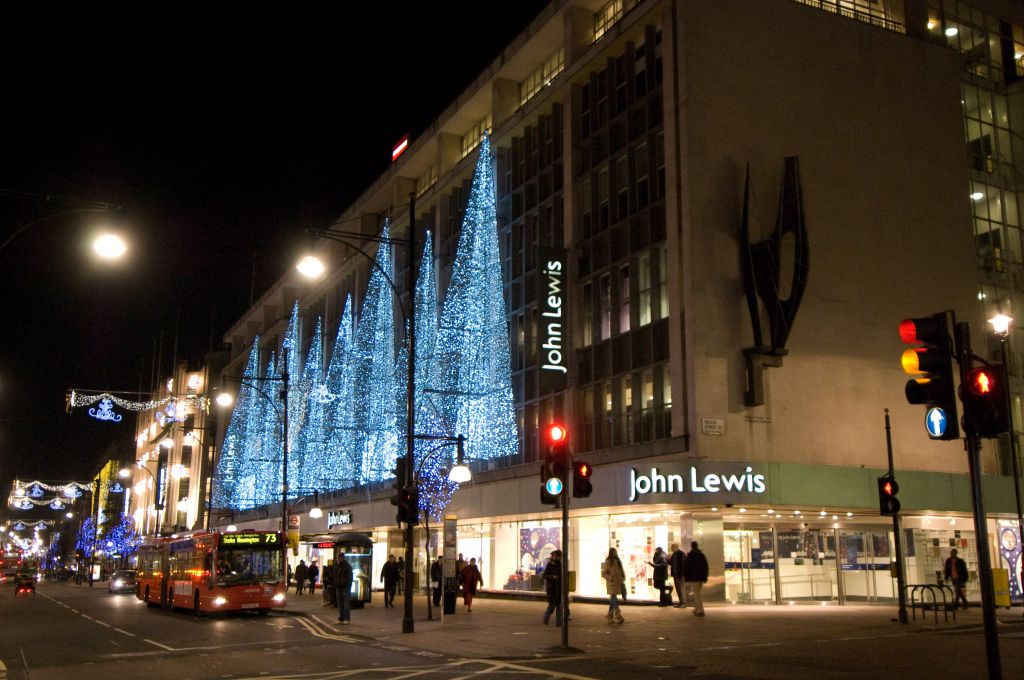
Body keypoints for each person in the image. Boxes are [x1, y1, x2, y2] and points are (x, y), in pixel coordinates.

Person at [601, 547, 626, 623]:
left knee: (612, 598)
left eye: (615, 552)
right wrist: (610, 577)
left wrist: (622, 578)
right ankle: (618, 615)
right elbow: (604, 573)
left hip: (617, 582)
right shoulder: (608, 561)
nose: (615, 553)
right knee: (614, 598)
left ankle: (610, 615)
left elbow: (621, 571)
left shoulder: (617, 561)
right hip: (611, 583)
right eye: (613, 552)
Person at [684, 541, 709, 617]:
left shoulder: (691, 555)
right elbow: (706, 566)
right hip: (701, 577)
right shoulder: (701, 555)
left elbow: (687, 567)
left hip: (694, 577)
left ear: (692, 546)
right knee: (697, 593)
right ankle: (696, 608)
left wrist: (686, 577)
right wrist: (705, 577)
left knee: (697, 594)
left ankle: (700, 610)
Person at [542, 550, 562, 626]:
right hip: (552, 588)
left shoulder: (560, 564)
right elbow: (545, 575)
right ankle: (545, 617)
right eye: (554, 556)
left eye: (556, 556)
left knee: (559, 606)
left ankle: (559, 623)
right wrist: (553, 577)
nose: (555, 557)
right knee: (552, 606)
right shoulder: (550, 564)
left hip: (559, 589)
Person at [334, 553, 353, 625]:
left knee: (346, 603)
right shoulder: (338, 566)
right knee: (340, 604)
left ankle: (346, 619)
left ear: (343, 558)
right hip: (339, 587)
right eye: (338, 558)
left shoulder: (347, 566)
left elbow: (349, 577)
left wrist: (345, 584)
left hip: (345, 587)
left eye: (340, 558)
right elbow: (336, 575)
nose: (338, 559)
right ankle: (341, 618)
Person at [670, 543, 687, 608]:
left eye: (672, 548)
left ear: (676, 547)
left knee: (681, 588)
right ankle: (680, 602)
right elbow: (671, 563)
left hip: (680, 575)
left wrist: (683, 574)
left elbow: (683, 564)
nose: (671, 549)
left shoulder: (681, 554)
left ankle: (683, 603)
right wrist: (667, 559)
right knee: (678, 589)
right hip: (675, 574)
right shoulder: (674, 554)